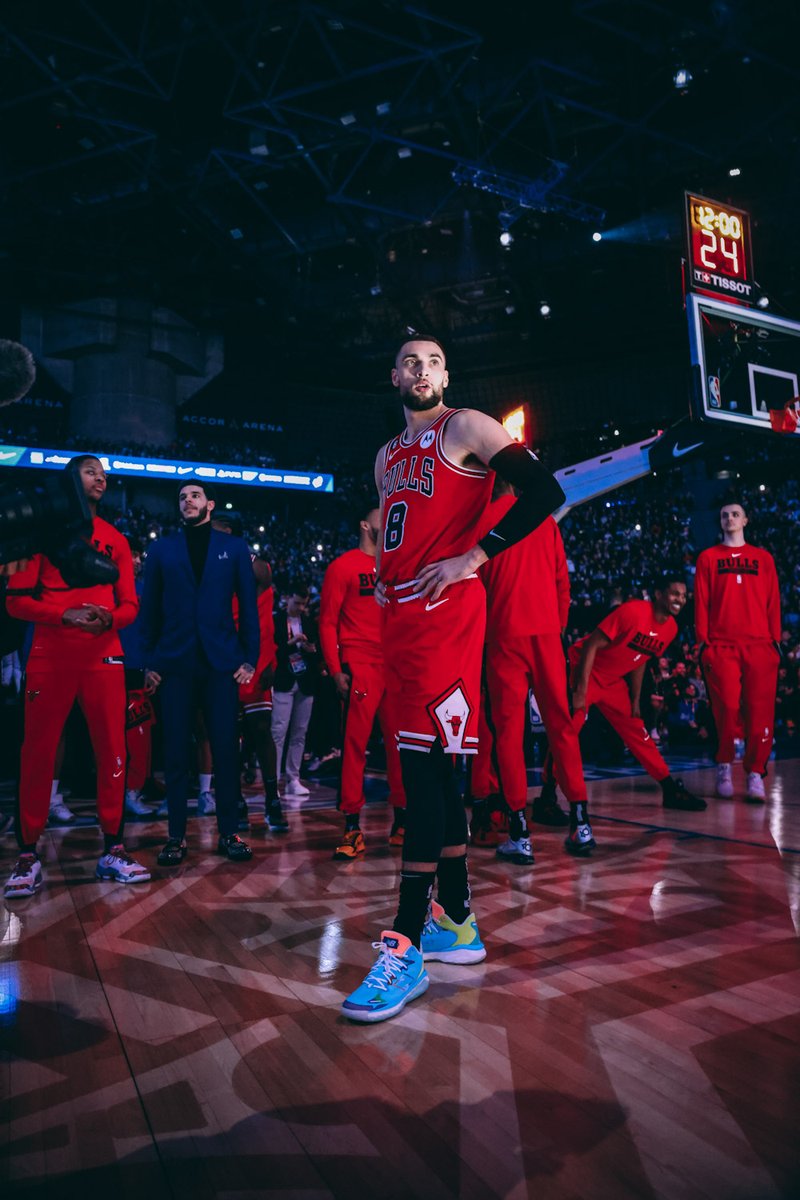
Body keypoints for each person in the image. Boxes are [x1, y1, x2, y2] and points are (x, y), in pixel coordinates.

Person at [341, 334, 565, 1023]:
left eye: (433, 360)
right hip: (401, 618)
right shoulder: (385, 456)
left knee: (426, 776)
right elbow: (406, 531)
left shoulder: (464, 426)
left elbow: (545, 492)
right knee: (434, 774)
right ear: (393, 376)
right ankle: (457, 920)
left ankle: (406, 944)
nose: (421, 368)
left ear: (447, 374)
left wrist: (475, 555)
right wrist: (381, 581)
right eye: (410, 360)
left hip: (448, 613)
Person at [4, 455, 150, 898]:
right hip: (50, 654)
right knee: (38, 752)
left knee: (112, 750)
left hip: (105, 654)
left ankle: (114, 848)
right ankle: (27, 855)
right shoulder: (40, 534)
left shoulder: (117, 540)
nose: (100, 478)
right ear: (71, 479)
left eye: (104, 474)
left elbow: (130, 605)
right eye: (90, 471)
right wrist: (63, 614)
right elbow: (14, 601)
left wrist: (110, 619)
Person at [138, 483, 258, 866]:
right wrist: (150, 662)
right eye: (181, 497)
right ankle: (176, 837)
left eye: (194, 495)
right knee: (175, 754)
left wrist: (249, 658)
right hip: (174, 664)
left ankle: (228, 832)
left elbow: (250, 609)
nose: (186, 500)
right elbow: (149, 610)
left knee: (225, 750)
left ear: (209, 505)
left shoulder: (235, 548)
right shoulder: (162, 549)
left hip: (220, 663)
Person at [478, 481, 593, 860]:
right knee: (561, 725)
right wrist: (556, 627)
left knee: (509, 733)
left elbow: (474, 588)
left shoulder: (479, 520)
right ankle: (581, 823)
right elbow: (564, 582)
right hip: (546, 633)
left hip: (503, 634)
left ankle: (519, 831)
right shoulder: (545, 521)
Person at [566, 575, 706, 812]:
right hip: (585, 670)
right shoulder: (632, 612)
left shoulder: (670, 629)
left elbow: (641, 657)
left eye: (683, 596)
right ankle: (547, 797)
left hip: (613, 680)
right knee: (568, 732)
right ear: (659, 595)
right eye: (674, 594)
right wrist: (580, 688)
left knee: (637, 730)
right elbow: (591, 645)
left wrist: (634, 700)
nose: (680, 600)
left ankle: (670, 789)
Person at [318, 508, 406, 862]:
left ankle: (401, 821)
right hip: (360, 665)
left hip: (396, 666)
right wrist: (335, 667)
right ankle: (352, 826)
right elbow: (327, 622)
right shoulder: (342, 566)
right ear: (364, 524)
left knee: (402, 747)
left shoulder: (400, 563)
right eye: (381, 515)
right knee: (354, 746)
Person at [694, 501, 781, 802]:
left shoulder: (763, 558)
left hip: (759, 645)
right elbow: (702, 601)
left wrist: (775, 640)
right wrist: (703, 640)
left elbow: (774, 601)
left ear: (745, 519)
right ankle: (723, 764)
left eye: (734, 514)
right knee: (726, 709)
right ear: (720, 522)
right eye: (724, 515)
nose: (729, 518)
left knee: (760, 713)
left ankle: (755, 772)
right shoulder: (707, 558)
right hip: (721, 645)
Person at [213, 511, 283, 831]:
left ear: (228, 531)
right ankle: (236, 800)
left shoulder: (252, 562)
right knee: (228, 735)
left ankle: (272, 799)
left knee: (260, 729)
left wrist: (269, 661)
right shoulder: (209, 564)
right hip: (223, 658)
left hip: (256, 658)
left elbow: (262, 575)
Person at [271, 582, 320, 798]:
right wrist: (291, 643)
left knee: (300, 733)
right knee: (278, 732)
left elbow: (317, 652)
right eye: (298, 603)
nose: (301, 607)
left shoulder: (309, 623)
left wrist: (311, 649)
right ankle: (273, 780)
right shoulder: (276, 621)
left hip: (305, 681)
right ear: (287, 598)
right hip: (283, 680)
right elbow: (273, 651)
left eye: (304, 604)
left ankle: (293, 778)